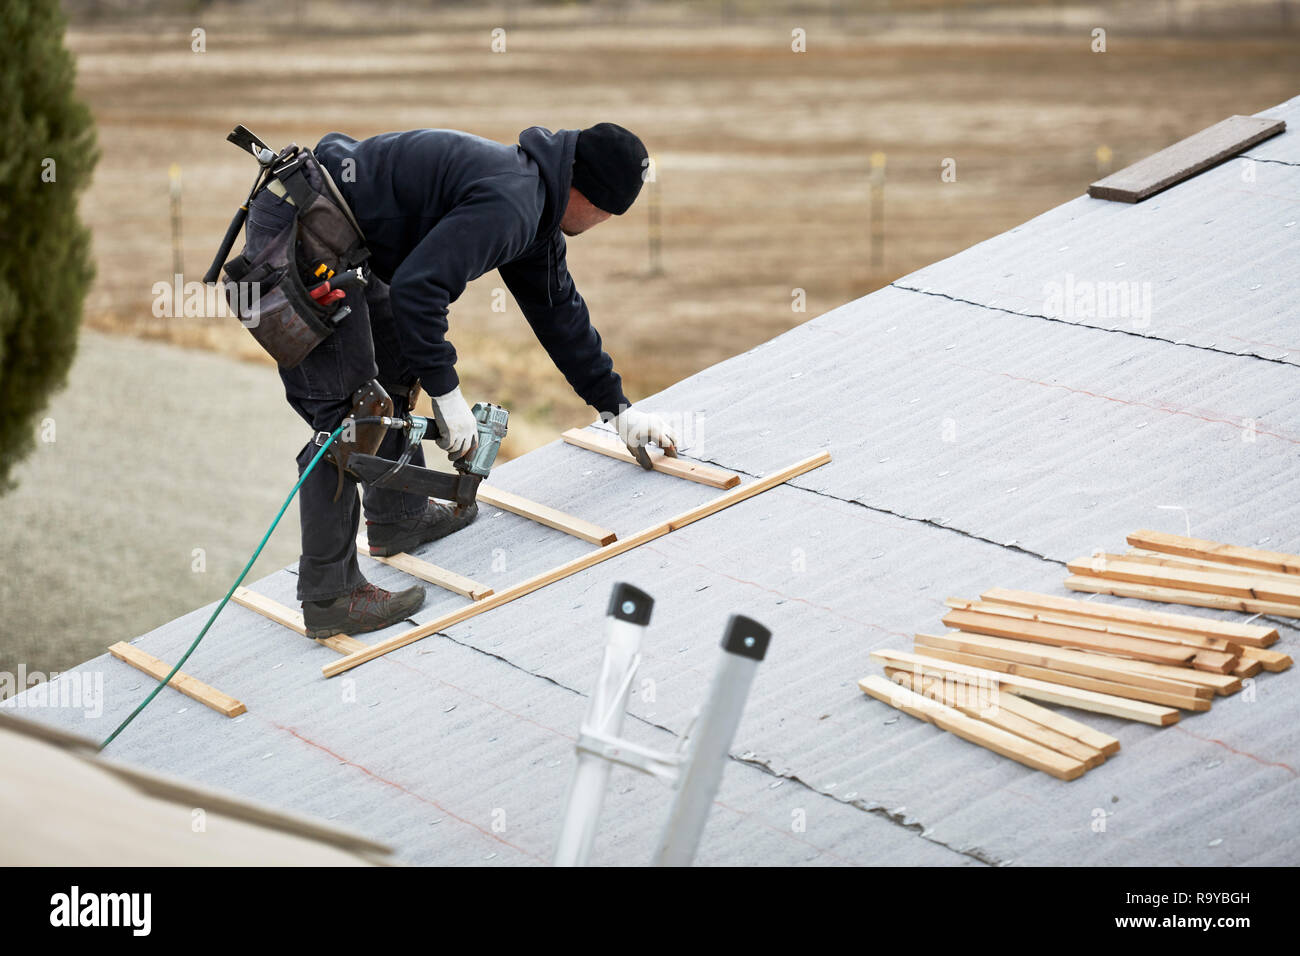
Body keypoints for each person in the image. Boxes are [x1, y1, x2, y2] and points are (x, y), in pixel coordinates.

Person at [243, 123, 676, 638]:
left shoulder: (534, 208)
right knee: (349, 418)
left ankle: (398, 516)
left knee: (398, 361)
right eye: (607, 212)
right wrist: (448, 396)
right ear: (587, 193)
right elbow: (419, 291)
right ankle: (331, 595)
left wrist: (618, 411)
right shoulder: (513, 203)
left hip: (343, 238)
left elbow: (561, 316)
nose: (602, 222)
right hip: (301, 234)